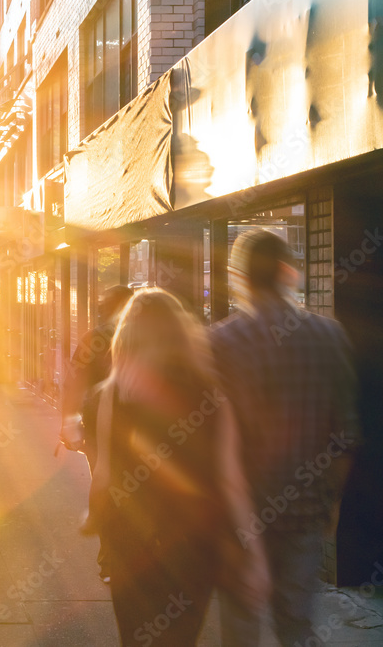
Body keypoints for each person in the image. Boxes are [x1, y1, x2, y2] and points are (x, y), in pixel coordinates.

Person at [212, 230, 360, 647]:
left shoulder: (221, 341)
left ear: (239, 277)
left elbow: (213, 443)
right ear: (287, 273)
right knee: (296, 628)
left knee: (241, 631)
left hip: (240, 520)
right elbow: (346, 435)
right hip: (305, 513)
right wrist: (330, 504)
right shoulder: (331, 337)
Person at [88, 289, 239, 646]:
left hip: (129, 543)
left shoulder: (114, 394)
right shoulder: (209, 393)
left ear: (127, 338)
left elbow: (104, 475)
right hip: (192, 545)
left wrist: (97, 525)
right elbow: (229, 478)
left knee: (135, 638)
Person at [62, 285, 133, 583]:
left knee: (104, 487)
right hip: (136, 431)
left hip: (97, 429)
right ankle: (130, 557)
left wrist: (68, 423)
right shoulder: (141, 339)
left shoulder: (94, 338)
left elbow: (75, 381)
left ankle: (110, 560)